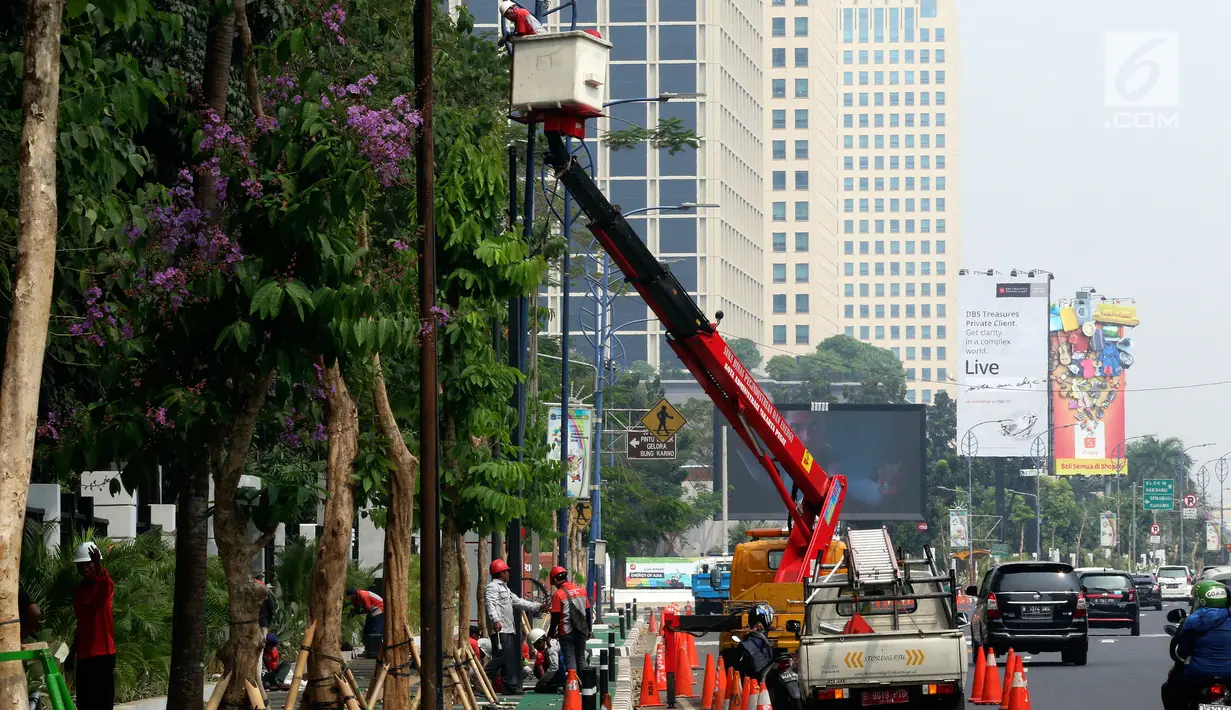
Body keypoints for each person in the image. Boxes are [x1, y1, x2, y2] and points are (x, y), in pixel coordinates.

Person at [1162, 579, 1231, 710]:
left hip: (1198, 673)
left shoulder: (1191, 621)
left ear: (1200, 600)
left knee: (1169, 689)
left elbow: (1179, 653)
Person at [485, 558, 543, 695]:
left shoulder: (505, 589)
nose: (509, 574)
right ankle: (482, 674)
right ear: (501, 573)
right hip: (501, 629)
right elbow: (490, 603)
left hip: (509, 629)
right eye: (507, 572)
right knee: (502, 657)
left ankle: (509, 688)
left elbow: (519, 602)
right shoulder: (492, 587)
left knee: (509, 660)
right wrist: (496, 620)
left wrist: (539, 607)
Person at [72, 541, 115, 710]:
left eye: (87, 564)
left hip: (103, 654)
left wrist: (98, 566)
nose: (83, 568)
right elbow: (81, 623)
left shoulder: (103, 586)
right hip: (84, 655)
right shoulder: (79, 591)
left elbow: (105, 587)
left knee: (102, 703)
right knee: (85, 702)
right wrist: (73, 651)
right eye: (80, 565)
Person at [547, 566, 590, 671]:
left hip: (566, 632)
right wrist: (589, 630)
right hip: (581, 630)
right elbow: (588, 612)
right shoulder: (581, 591)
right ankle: (586, 685)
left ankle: (573, 685)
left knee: (570, 660)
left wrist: (550, 634)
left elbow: (555, 617)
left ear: (555, 580)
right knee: (581, 658)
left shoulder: (558, 594)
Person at [346, 588, 385, 657]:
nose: (350, 599)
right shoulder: (354, 598)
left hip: (379, 609)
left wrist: (357, 613)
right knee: (367, 631)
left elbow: (367, 609)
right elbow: (357, 609)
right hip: (371, 611)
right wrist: (354, 612)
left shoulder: (364, 596)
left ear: (354, 595)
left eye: (350, 597)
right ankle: (367, 650)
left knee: (375, 632)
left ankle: (375, 652)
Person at [528, 628, 564, 694]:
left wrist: (542, 681)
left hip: (564, 671)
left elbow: (554, 667)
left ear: (540, 642)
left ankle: (557, 685)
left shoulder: (550, 647)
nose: (535, 648)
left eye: (535, 645)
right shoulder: (550, 644)